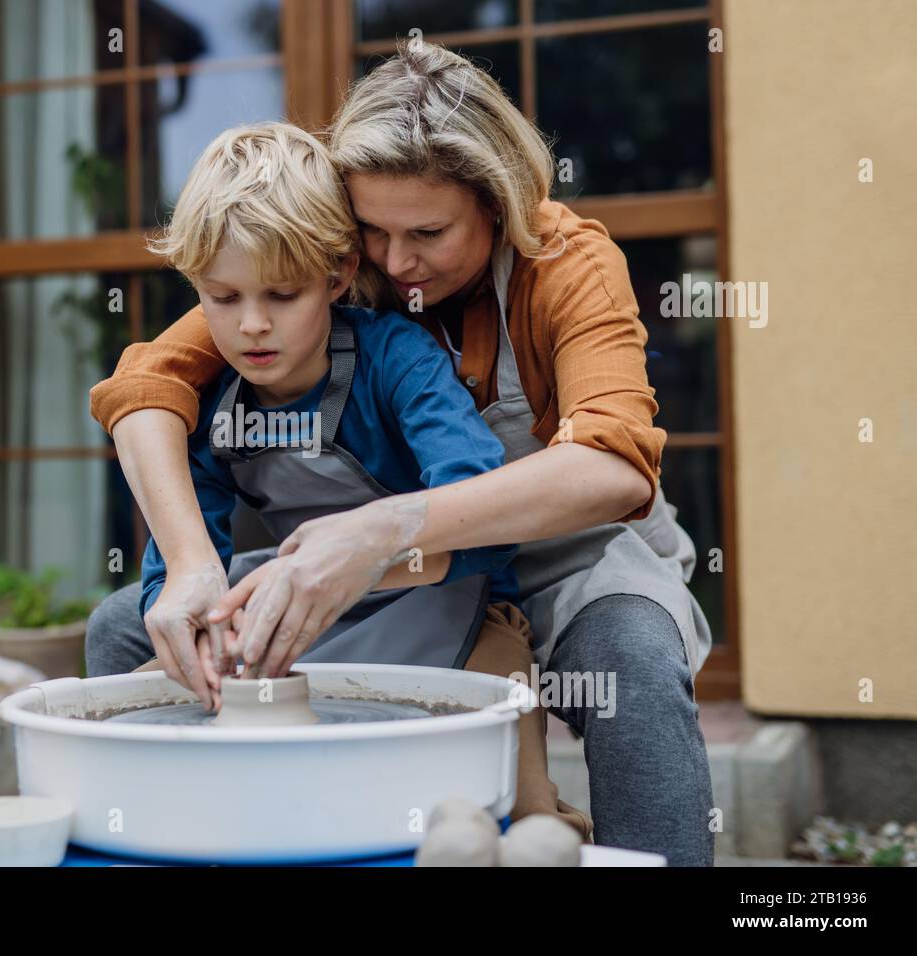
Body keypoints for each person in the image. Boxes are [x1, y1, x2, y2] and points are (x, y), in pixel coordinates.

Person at [89, 42, 714, 865]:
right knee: (125, 629)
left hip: (570, 551)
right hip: (386, 563)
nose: (396, 262)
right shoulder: (321, 265)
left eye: (428, 232)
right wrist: (194, 569)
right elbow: (143, 391)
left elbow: (613, 466)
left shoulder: (567, 264)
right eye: (373, 233)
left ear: (500, 202)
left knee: (628, 656)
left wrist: (383, 532)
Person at [102, 119, 593, 839]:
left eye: (283, 295)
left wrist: (350, 572)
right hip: (301, 621)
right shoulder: (207, 404)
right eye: (224, 298)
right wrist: (196, 626)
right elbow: (180, 571)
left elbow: (488, 531)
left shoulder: (398, 360)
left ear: (335, 277)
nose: (252, 327)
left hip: (461, 610)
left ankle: (544, 827)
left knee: (516, 814)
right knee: (132, 730)